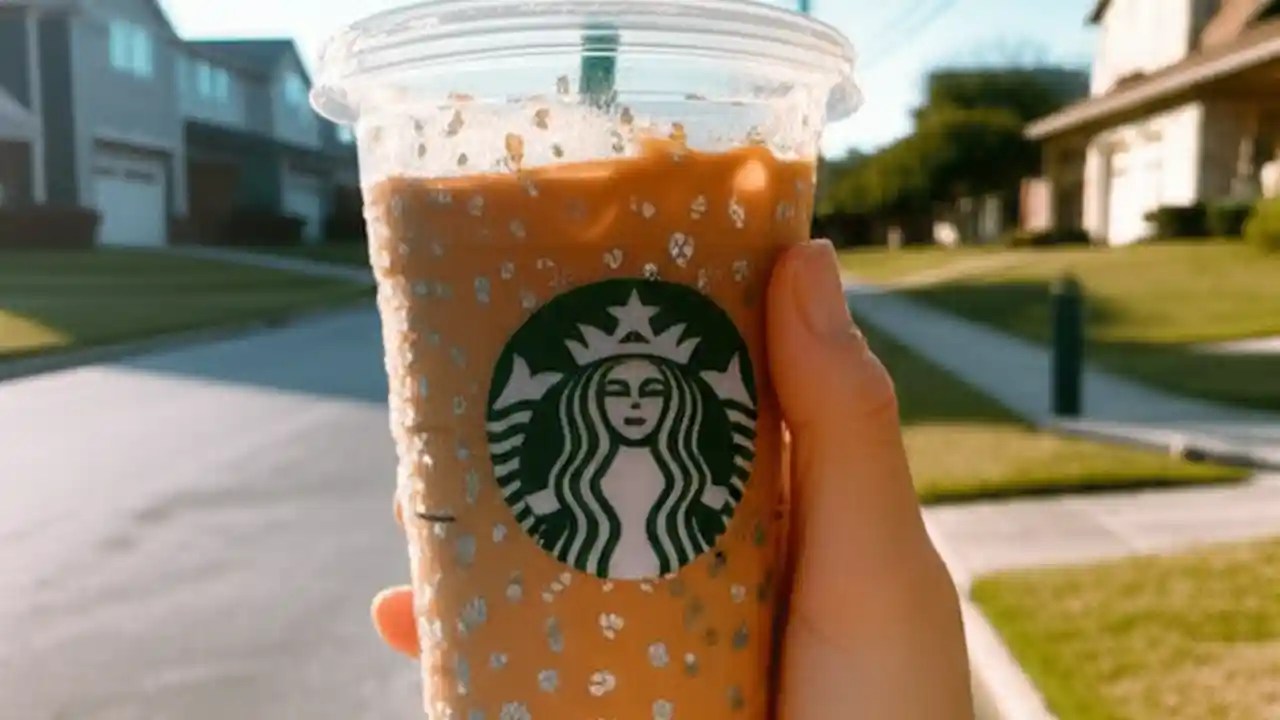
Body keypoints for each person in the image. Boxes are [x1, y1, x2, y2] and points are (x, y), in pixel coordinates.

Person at [371, 240, 975, 719]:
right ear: (586, 400)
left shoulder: (694, 491)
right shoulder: (570, 490)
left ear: (678, 400)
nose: (634, 404)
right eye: (616, 389)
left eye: (652, 388)